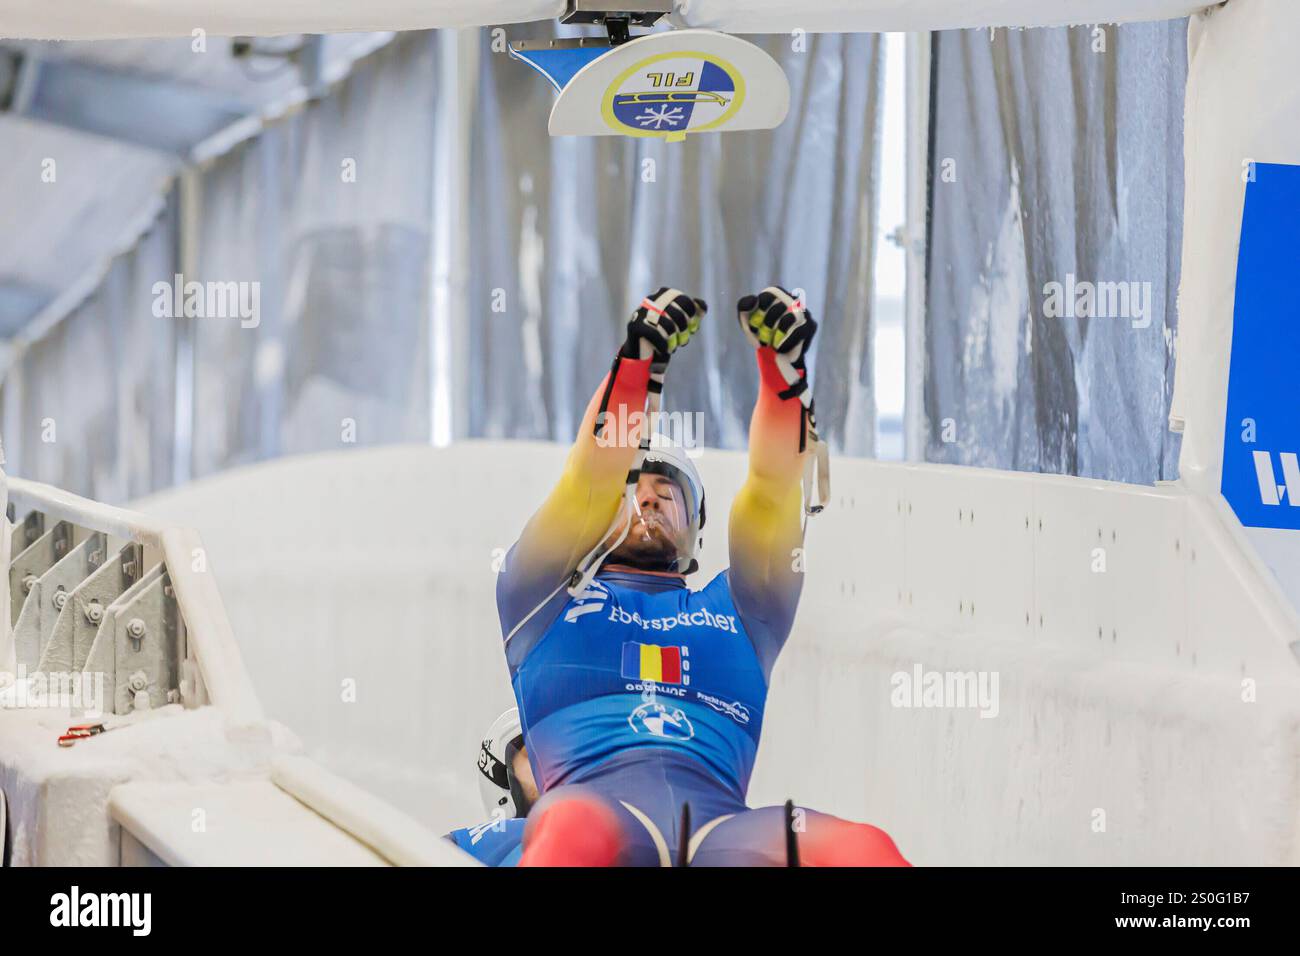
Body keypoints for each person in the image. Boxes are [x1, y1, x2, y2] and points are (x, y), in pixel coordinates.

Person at [488, 285, 909, 866]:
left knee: (865, 848)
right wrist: (639, 363)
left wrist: (782, 373)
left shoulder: (744, 611)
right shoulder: (538, 598)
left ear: (696, 537)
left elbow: (770, 494)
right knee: (570, 825)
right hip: (593, 818)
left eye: (669, 493)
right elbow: (586, 481)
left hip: (722, 834)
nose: (650, 499)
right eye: (634, 486)